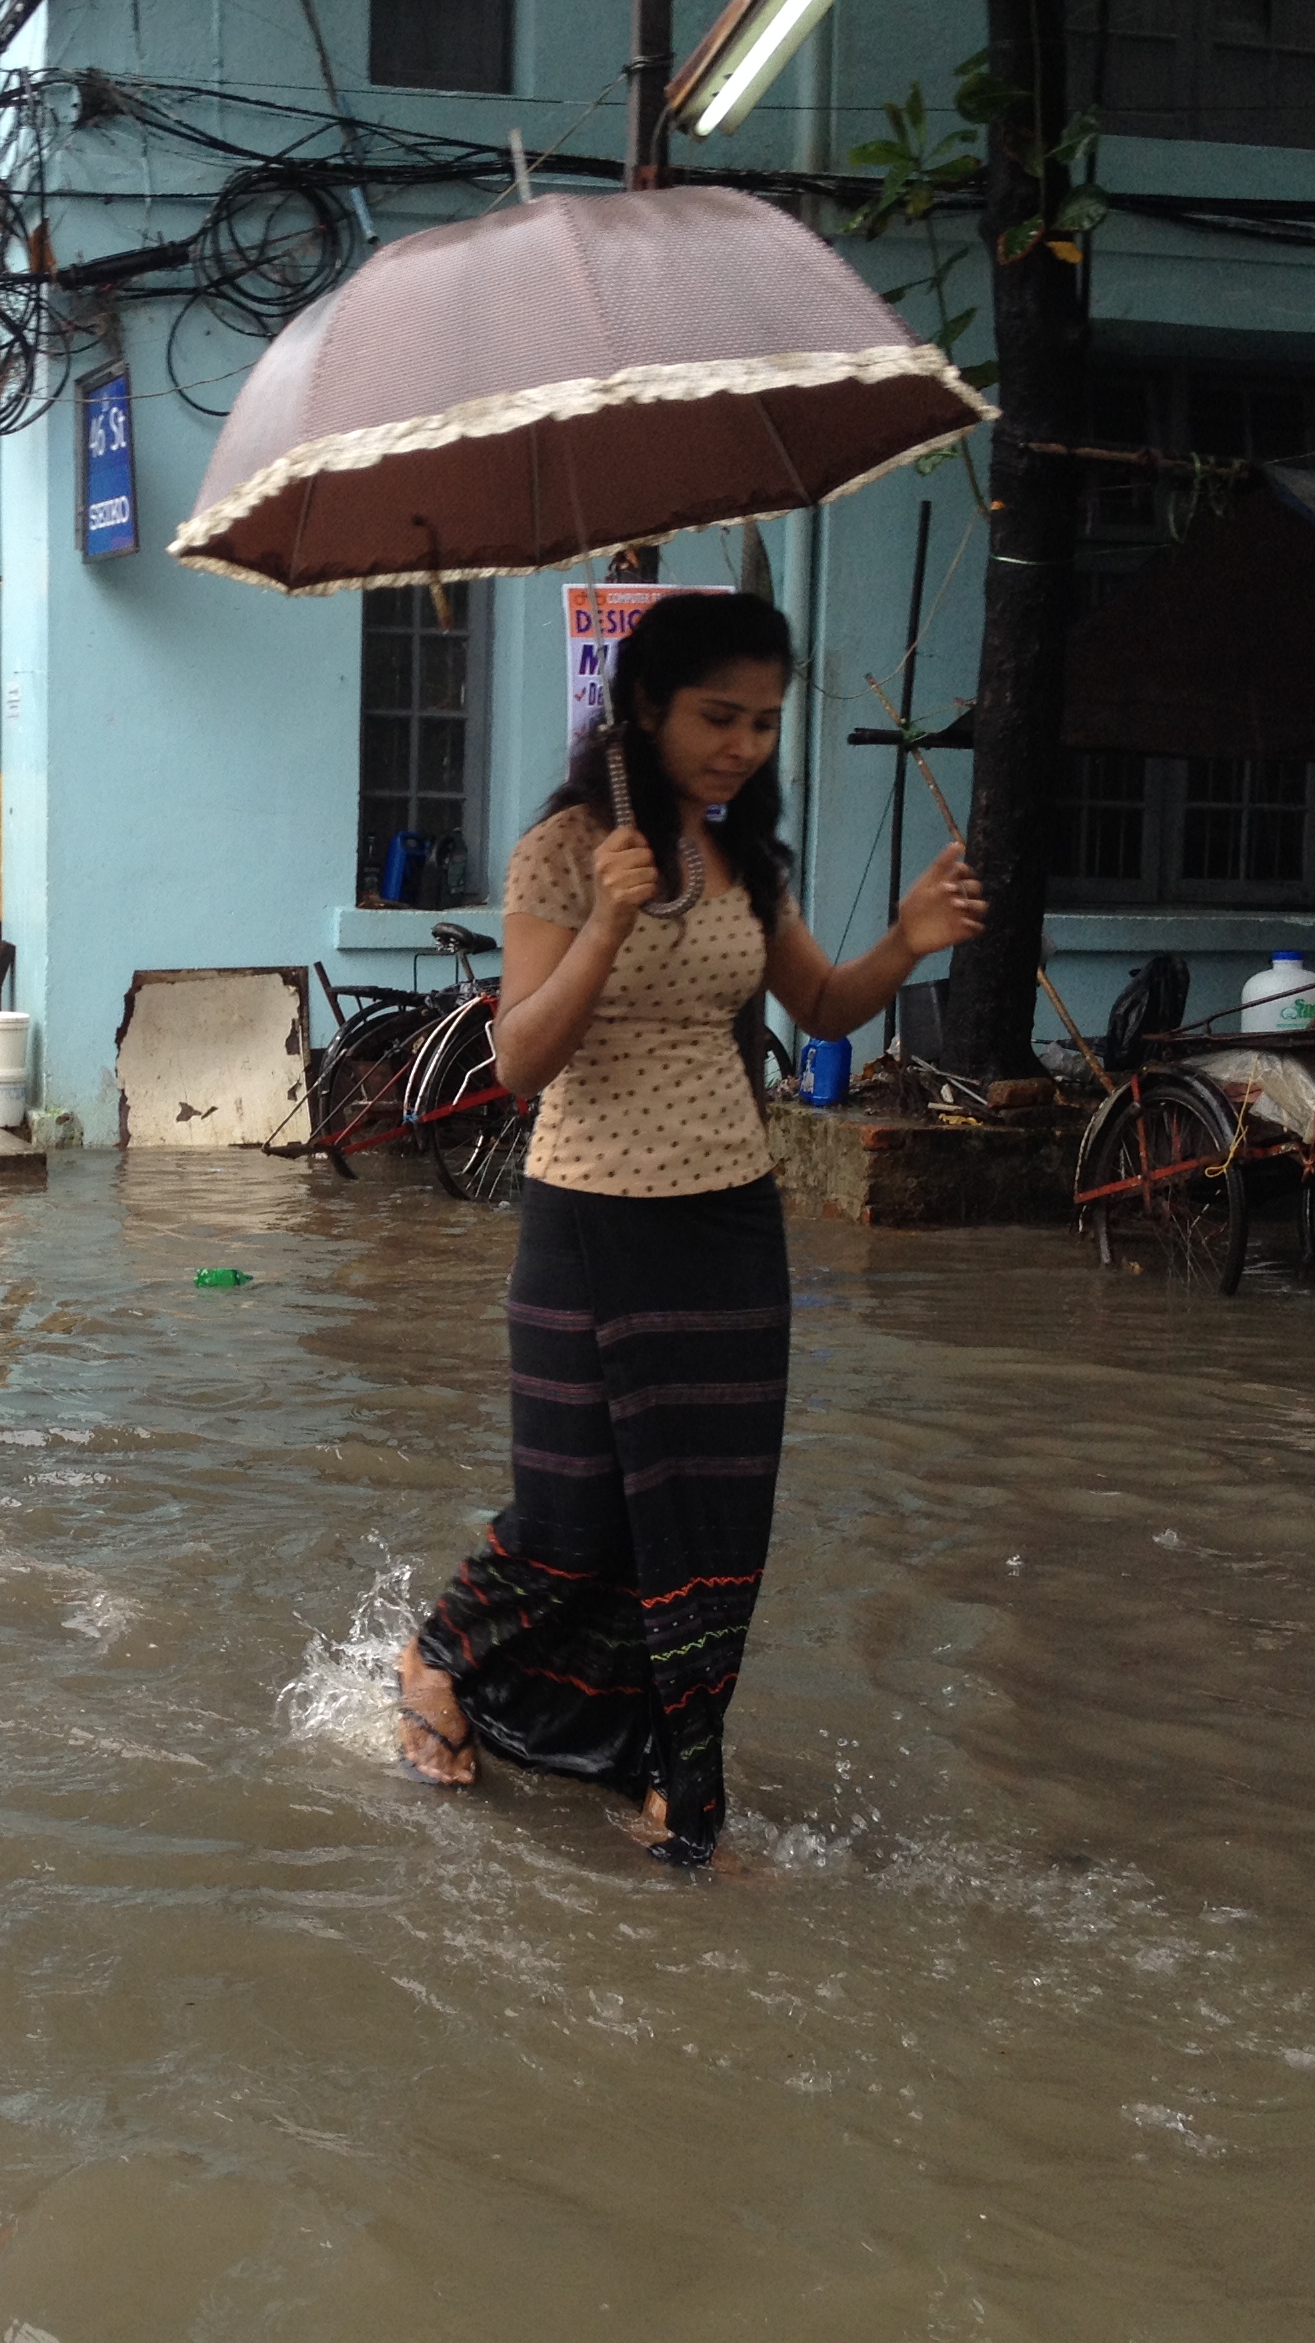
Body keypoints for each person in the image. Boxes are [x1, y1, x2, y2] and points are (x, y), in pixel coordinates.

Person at [392, 592, 989, 1867]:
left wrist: (908, 940)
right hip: (590, 1212)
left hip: (727, 1222)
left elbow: (823, 1007)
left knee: (712, 1521)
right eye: (720, 716)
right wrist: (607, 920)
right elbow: (517, 1062)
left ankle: (677, 1774)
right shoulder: (563, 852)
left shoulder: (746, 863)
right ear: (647, 708)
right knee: (574, 1520)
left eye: (766, 722)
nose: (743, 745)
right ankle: (443, 1652)